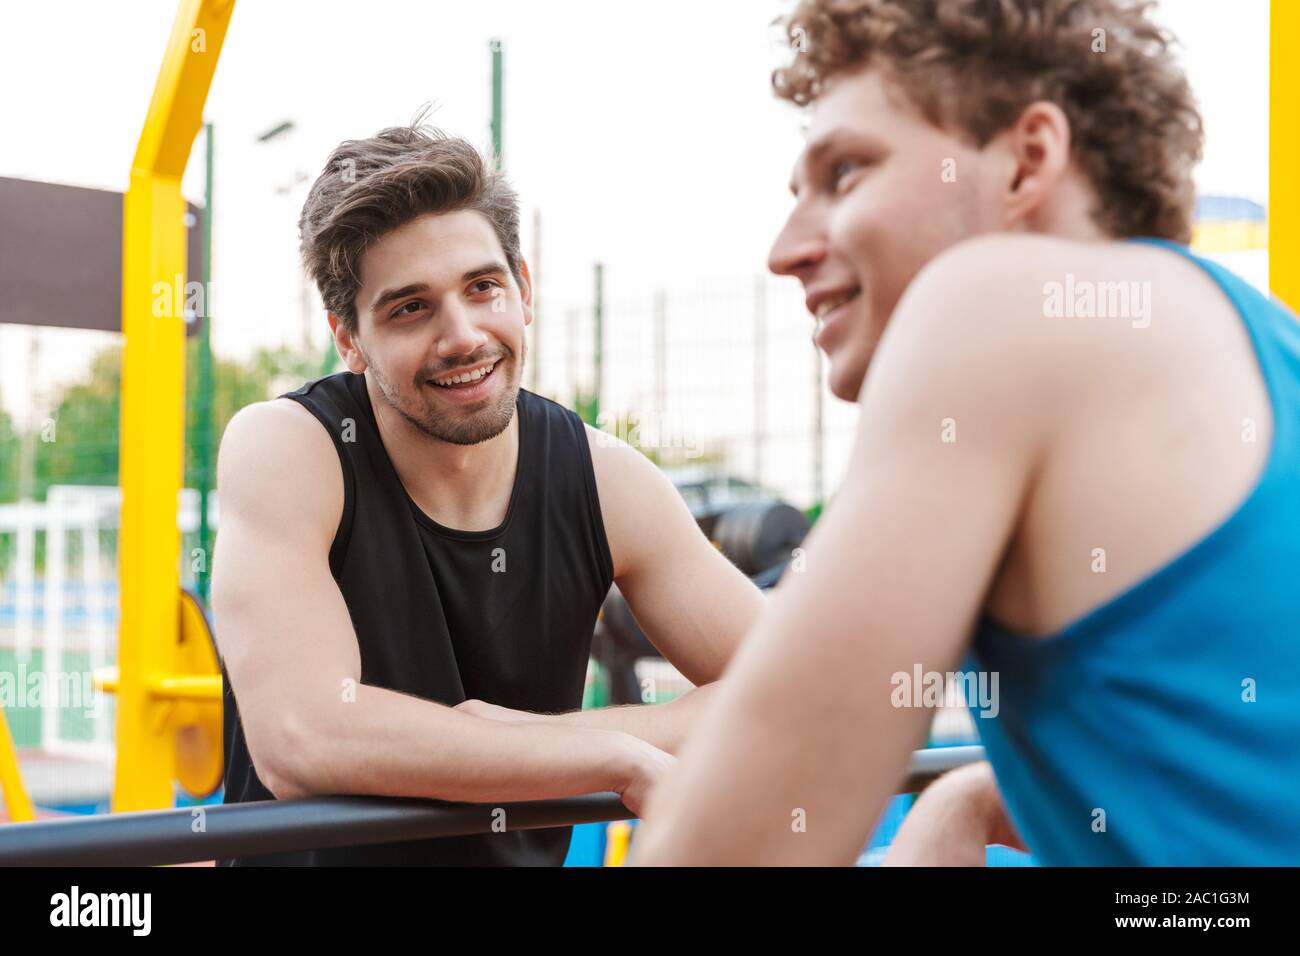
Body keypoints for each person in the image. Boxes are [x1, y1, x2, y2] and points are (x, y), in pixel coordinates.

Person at [633, 0, 1300, 865]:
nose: (785, 246)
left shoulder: (992, 303)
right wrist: (975, 794)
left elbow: (731, 853)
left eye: (844, 173)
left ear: (1027, 162)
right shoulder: (1260, 343)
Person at [212, 114, 765, 865]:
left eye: (483, 287)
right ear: (348, 338)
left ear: (524, 289)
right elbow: (303, 738)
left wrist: (547, 740)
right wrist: (612, 756)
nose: (464, 334)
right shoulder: (291, 447)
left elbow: (788, 691)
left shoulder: (606, 479)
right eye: (411, 307)